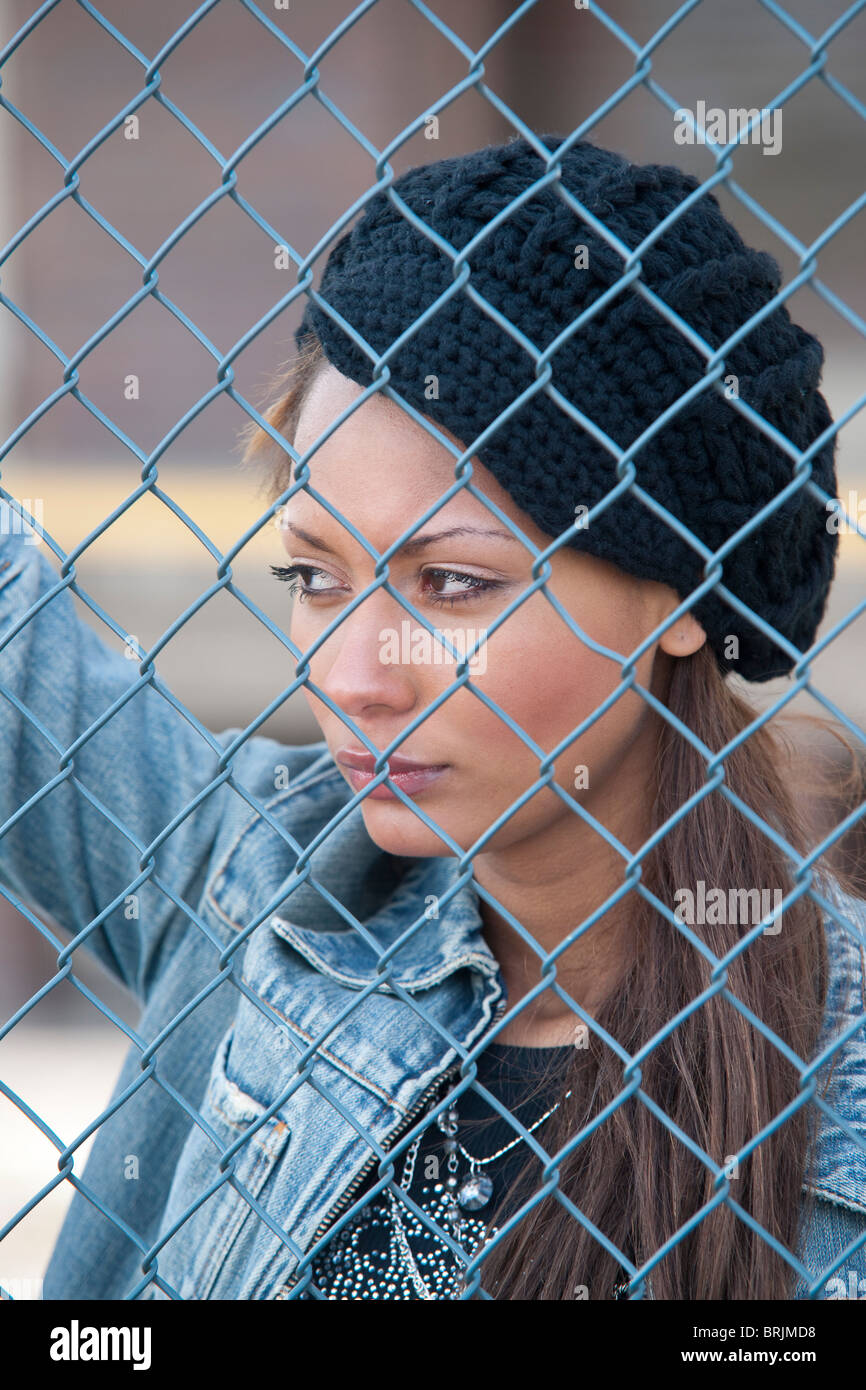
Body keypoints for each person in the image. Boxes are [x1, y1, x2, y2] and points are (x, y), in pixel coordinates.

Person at [2, 134, 865, 1301]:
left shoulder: (831, 1083)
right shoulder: (256, 878)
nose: (355, 674)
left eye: (451, 583)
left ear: (680, 596)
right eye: (313, 576)